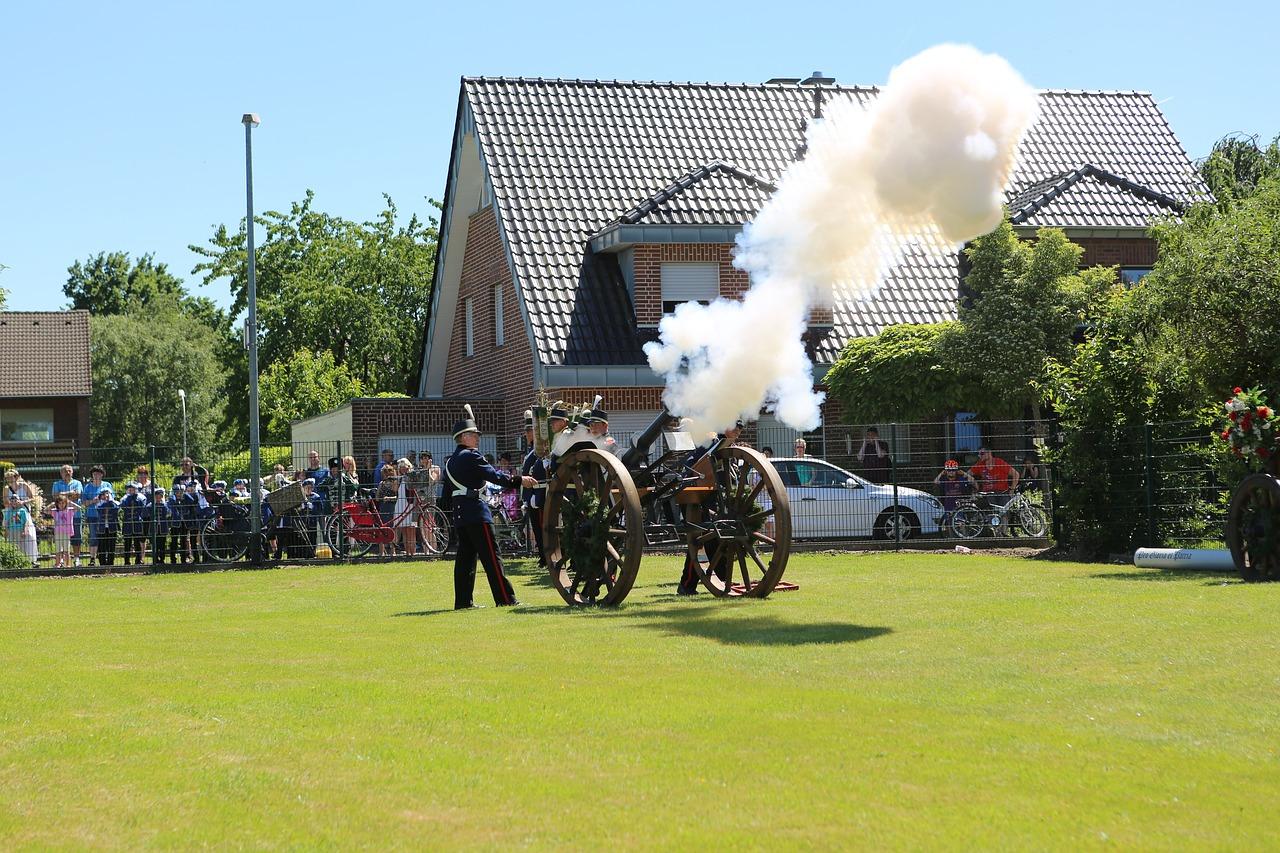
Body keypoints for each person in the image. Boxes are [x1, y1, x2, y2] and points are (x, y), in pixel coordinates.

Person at [445, 404, 538, 609]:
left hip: (461, 515)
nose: (478, 438)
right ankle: (505, 598)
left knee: (465, 561)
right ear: (463, 437)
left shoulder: (450, 462)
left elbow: (446, 495)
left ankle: (463, 602)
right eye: (473, 435)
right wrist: (518, 480)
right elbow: (494, 475)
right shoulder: (471, 456)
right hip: (477, 514)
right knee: (492, 559)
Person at [678, 420, 743, 595]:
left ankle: (722, 580)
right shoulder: (711, 444)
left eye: (740, 428)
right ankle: (687, 585)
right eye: (735, 426)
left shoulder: (731, 448)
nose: (738, 430)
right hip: (697, 499)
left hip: (716, 502)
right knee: (700, 543)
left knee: (720, 542)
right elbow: (692, 466)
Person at [51, 465, 84, 566]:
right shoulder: (56, 484)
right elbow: (56, 496)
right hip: (61, 517)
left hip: (75, 514)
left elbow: (77, 495)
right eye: (65, 471)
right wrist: (70, 493)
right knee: (61, 538)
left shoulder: (77, 483)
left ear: (72, 472)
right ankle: (61, 559)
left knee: (77, 536)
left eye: (69, 470)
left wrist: (62, 494)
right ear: (61, 473)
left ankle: (77, 558)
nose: (67, 472)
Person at [933, 460, 977, 525]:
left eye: (953, 470)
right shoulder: (944, 479)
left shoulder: (960, 478)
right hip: (948, 505)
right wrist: (941, 473)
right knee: (949, 524)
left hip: (959, 505)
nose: (951, 472)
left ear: (956, 470)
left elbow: (972, 481)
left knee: (961, 523)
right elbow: (935, 482)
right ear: (946, 471)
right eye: (949, 470)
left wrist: (964, 474)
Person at [80, 465, 108, 566]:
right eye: (94, 474)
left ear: (102, 475)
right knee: (93, 537)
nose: (96, 475)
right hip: (92, 515)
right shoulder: (87, 487)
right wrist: (93, 501)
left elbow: (112, 499)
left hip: (105, 516)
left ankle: (104, 558)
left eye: (99, 473)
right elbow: (84, 503)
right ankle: (92, 558)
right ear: (92, 475)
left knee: (104, 537)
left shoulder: (107, 485)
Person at [413, 451, 441, 554]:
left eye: (426, 458)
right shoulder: (417, 470)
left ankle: (434, 550)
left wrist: (428, 469)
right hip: (419, 499)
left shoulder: (435, 468)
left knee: (430, 526)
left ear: (430, 459)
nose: (423, 460)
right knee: (421, 526)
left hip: (429, 499)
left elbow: (432, 480)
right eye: (422, 458)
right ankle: (426, 552)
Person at [392, 458, 418, 557]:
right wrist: (396, 476)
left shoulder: (412, 477)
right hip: (400, 505)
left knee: (411, 530)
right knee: (404, 531)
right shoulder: (399, 478)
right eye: (401, 467)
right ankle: (407, 553)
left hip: (410, 505)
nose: (403, 469)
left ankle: (413, 552)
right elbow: (394, 489)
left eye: (405, 467)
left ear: (409, 467)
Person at [4, 492, 38, 568]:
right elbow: (6, 523)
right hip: (12, 531)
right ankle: (13, 562)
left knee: (21, 547)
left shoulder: (22, 511)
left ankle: (22, 561)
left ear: (19, 501)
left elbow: (26, 522)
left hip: (20, 531)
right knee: (12, 546)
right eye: (12, 501)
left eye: (16, 501)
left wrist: (24, 531)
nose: (14, 502)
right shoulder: (8, 511)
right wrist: (6, 532)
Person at [119, 482, 150, 566]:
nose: (131, 491)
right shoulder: (125, 498)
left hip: (137, 522)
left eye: (133, 489)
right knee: (127, 543)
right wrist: (127, 498)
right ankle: (126, 561)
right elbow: (122, 505)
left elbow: (142, 505)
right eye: (130, 489)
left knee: (137, 542)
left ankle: (138, 559)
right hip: (127, 523)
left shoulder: (141, 498)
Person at [48, 493, 79, 569]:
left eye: (63, 503)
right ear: (57, 504)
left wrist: (70, 502)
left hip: (66, 532)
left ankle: (68, 564)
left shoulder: (70, 511)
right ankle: (57, 564)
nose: (61, 505)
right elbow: (45, 510)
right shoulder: (55, 511)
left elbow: (78, 508)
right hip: (58, 532)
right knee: (58, 549)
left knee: (66, 550)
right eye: (59, 503)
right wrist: (52, 504)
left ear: (66, 503)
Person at [375, 463, 399, 557]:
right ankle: (382, 551)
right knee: (382, 528)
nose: (386, 475)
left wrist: (388, 498)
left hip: (392, 507)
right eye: (384, 472)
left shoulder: (394, 482)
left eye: (388, 472)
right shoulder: (382, 483)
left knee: (392, 528)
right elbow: (377, 498)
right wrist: (379, 494)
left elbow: (396, 496)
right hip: (382, 507)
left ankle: (393, 551)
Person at [93, 487, 120, 567]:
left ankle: (110, 563)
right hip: (101, 528)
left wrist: (110, 500)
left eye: (107, 494)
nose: (105, 496)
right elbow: (100, 509)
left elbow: (115, 509)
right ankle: (102, 564)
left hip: (112, 528)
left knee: (111, 546)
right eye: (103, 495)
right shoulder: (99, 504)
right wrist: (105, 501)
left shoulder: (114, 503)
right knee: (102, 546)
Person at [149, 486, 172, 565]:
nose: (158, 499)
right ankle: (155, 559)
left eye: (160, 497)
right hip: (154, 528)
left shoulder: (165, 505)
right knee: (154, 544)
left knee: (162, 544)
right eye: (156, 497)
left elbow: (168, 513)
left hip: (162, 528)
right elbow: (146, 512)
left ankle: (162, 559)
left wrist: (163, 503)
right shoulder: (151, 505)